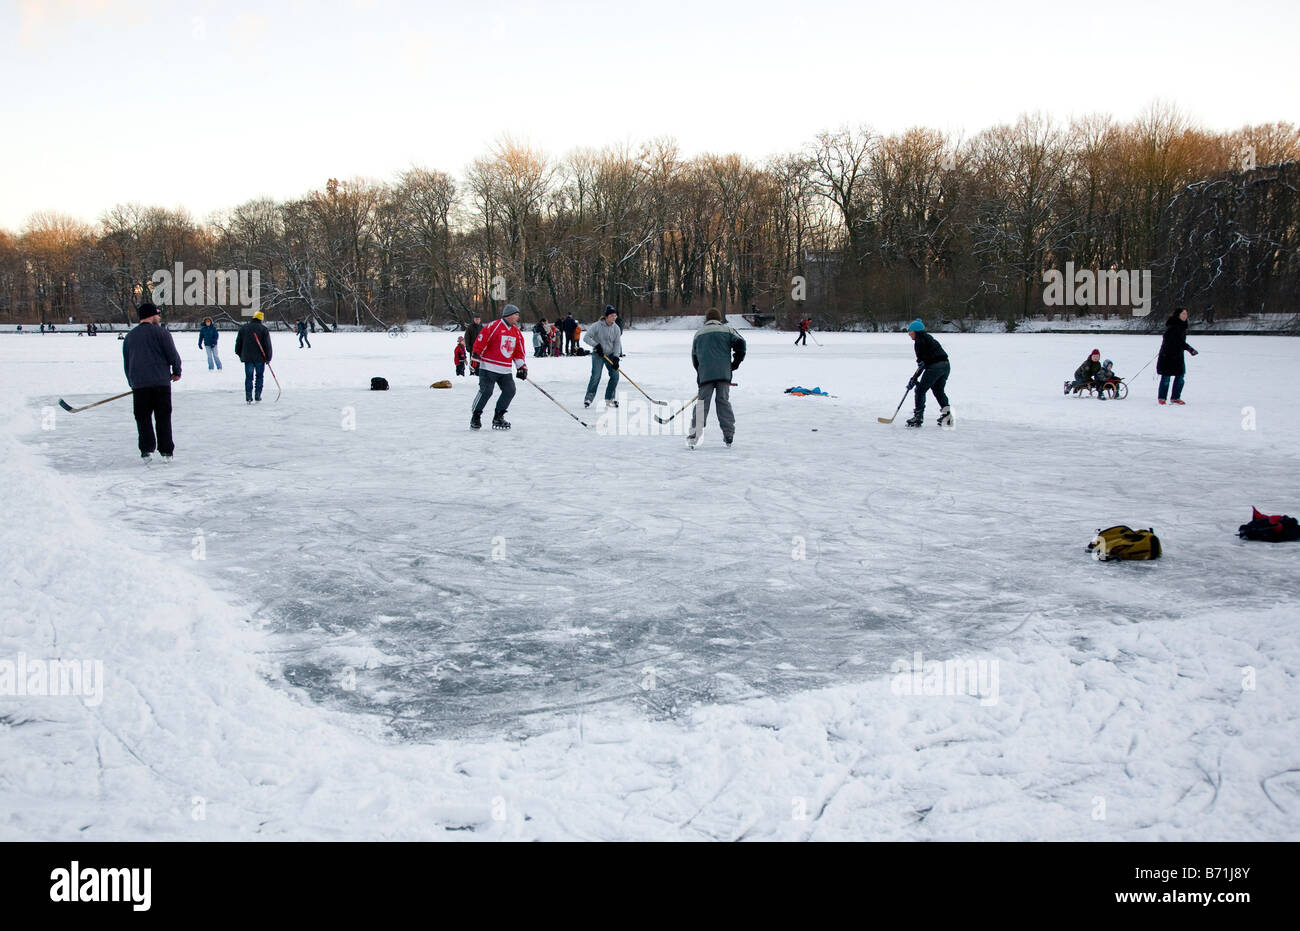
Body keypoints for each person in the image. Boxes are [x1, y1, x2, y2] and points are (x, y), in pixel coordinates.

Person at [122, 302, 182, 460]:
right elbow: (173, 355)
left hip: (140, 385)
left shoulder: (130, 337)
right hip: (161, 383)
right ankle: (166, 450)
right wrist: (177, 372)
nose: (159, 317)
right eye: (157, 314)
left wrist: (132, 382)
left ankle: (146, 449)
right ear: (151, 315)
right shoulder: (162, 333)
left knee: (142, 418)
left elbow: (127, 363)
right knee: (163, 417)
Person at [687, 307, 746, 448]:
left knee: (702, 403)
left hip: (705, 374)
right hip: (723, 374)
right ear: (720, 318)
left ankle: (694, 435)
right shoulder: (728, 330)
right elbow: (741, 344)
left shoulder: (699, 334)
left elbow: (694, 358)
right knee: (723, 402)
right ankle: (729, 434)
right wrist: (735, 364)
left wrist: (700, 374)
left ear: (706, 319)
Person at [469, 304, 528, 430]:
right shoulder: (494, 326)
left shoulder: (516, 332)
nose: (517, 317)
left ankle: (498, 416)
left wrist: (521, 366)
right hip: (488, 367)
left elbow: (518, 351)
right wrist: (475, 360)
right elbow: (480, 342)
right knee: (486, 391)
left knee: (510, 390)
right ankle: (476, 415)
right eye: (516, 314)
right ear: (509, 315)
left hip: (505, 369)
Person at [904, 318, 951, 428]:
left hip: (935, 367)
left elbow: (922, 364)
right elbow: (924, 362)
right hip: (945, 366)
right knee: (938, 391)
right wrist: (914, 378)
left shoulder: (920, 342)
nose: (909, 334)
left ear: (916, 332)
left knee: (920, 390)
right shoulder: (929, 339)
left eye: (910, 331)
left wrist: (914, 379)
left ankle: (918, 417)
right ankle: (947, 417)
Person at [582, 306, 623, 408]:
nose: (614, 318)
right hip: (598, 354)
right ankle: (588, 398)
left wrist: (616, 357)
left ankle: (609, 398)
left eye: (615, 316)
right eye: (612, 316)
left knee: (615, 376)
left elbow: (617, 343)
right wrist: (596, 345)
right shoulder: (597, 325)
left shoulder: (616, 328)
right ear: (606, 317)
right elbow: (586, 337)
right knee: (596, 376)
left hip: (610, 354)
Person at [1157, 307, 1198, 405]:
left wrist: (1187, 348)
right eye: (1183, 314)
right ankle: (1162, 398)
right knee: (1166, 377)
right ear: (1178, 315)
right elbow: (1176, 341)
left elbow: (1180, 342)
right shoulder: (1173, 326)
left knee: (1180, 377)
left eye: (1186, 314)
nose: (1185, 316)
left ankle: (1175, 397)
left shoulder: (1182, 326)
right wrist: (1189, 348)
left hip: (1178, 356)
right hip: (1167, 355)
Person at [234, 310, 273, 403]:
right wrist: (268, 358)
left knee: (249, 377)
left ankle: (248, 396)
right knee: (259, 376)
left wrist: (239, 353)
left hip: (247, 357)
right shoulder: (263, 329)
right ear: (261, 319)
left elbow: (238, 342)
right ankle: (257, 395)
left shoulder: (244, 328)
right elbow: (267, 345)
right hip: (260, 358)